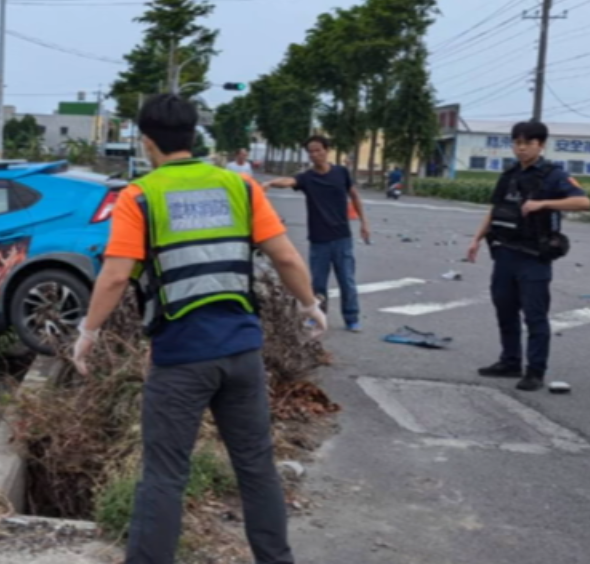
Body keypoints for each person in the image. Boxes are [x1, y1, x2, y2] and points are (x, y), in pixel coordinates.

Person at [71, 94, 327, 564]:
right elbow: (286, 256)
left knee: (165, 475)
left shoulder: (141, 196)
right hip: (243, 353)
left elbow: (114, 275)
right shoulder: (241, 187)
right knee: (256, 468)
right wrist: (310, 304)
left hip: (181, 359)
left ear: (148, 142)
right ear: (194, 137)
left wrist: (88, 333)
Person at [466, 120, 590, 392]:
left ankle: (535, 371)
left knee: (535, 315)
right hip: (505, 253)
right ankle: (510, 361)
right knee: (505, 309)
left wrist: (544, 203)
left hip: (534, 256)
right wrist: (476, 239)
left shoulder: (553, 175)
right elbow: (495, 209)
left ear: (541, 145)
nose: (521, 149)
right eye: (517, 143)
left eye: (527, 143)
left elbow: (583, 201)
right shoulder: (509, 173)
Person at [263, 135, 369, 331]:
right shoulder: (307, 178)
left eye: (318, 150)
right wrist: (270, 183)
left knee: (347, 280)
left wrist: (364, 223)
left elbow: (354, 195)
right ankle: (317, 316)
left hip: (342, 237)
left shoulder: (341, 172)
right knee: (318, 283)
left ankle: (351, 318)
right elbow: (289, 181)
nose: (315, 155)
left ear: (326, 150)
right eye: (311, 151)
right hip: (318, 240)